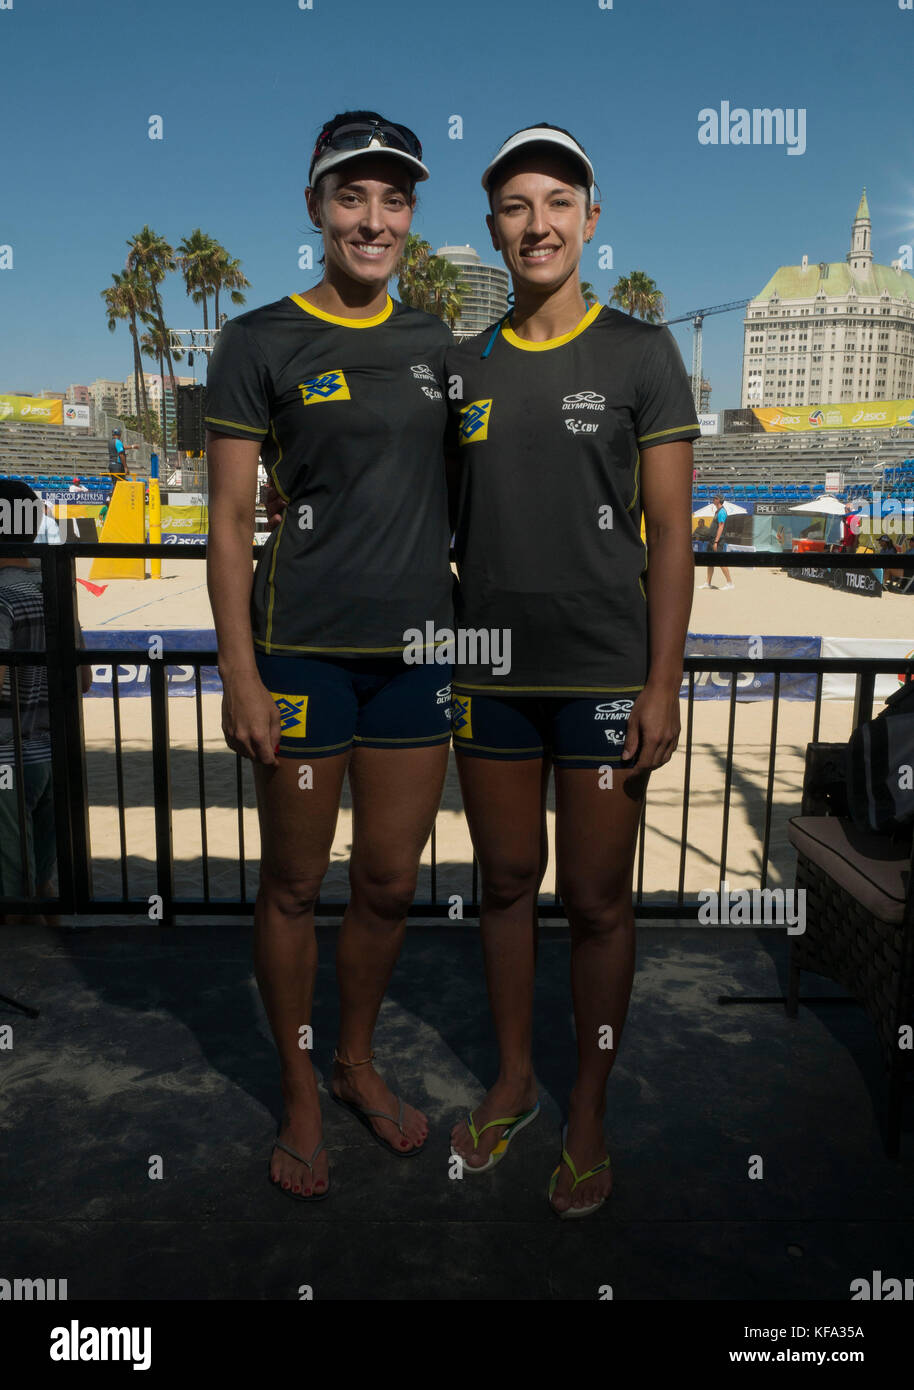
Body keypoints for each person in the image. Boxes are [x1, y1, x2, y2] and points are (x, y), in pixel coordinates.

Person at [443, 125, 699, 1216]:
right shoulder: (460, 367)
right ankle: (512, 1078)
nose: (536, 222)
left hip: (602, 673)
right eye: (514, 205)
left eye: (557, 202)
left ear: (589, 220)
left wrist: (660, 681)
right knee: (504, 885)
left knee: (595, 900)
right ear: (493, 226)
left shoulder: (641, 353)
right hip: (487, 673)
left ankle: (585, 1104)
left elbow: (673, 535)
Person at [204, 110, 454, 1202]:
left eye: (392, 198)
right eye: (351, 196)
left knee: (390, 883)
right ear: (314, 208)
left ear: (409, 215)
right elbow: (224, 524)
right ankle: (299, 1083)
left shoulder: (445, 347)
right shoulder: (258, 340)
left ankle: (354, 1061)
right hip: (299, 653)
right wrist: (241, 673)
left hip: (416, 659)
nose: (373, 217)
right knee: (296, 883)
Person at [0, 480, 92, 925]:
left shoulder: (1, 595)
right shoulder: (53, 585)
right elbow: (83, 677)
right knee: (43, 885)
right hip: (53, 755)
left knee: (12, 895)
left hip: (7, 759)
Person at [698, 494, 733, 589]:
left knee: (721, 561)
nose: (713, 499)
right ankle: (708, 583)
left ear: (719, 500)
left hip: (717, 541)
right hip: (712, 540)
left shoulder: (722, 512)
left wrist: (716, 542)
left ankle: (730, 583)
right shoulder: (717, 511)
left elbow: (721, 527)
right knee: (709, 562)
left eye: (715, 498)